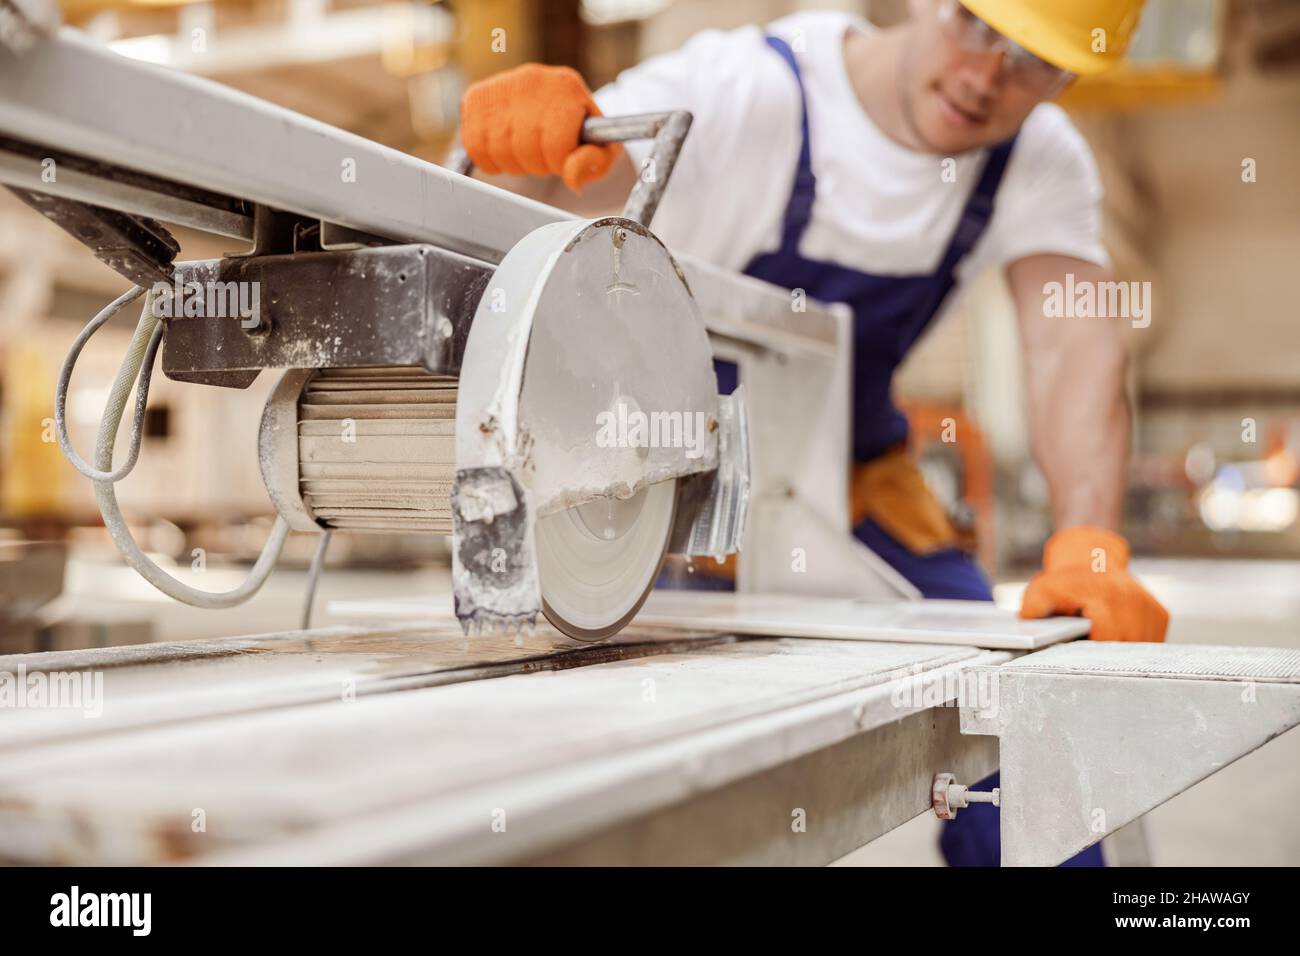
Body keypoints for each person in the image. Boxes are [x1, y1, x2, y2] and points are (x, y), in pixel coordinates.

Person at [459, 0, 1169, 865]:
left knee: (1024, 738)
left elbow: (1072, 349)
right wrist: (520, 155)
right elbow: (531, 215)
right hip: (647, 508)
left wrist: (1089, 544)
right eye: (974, 25)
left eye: (1034, 62)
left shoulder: (1037, 159)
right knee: (605, 793)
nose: (988, 77)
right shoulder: (745, 91)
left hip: (853, 493)